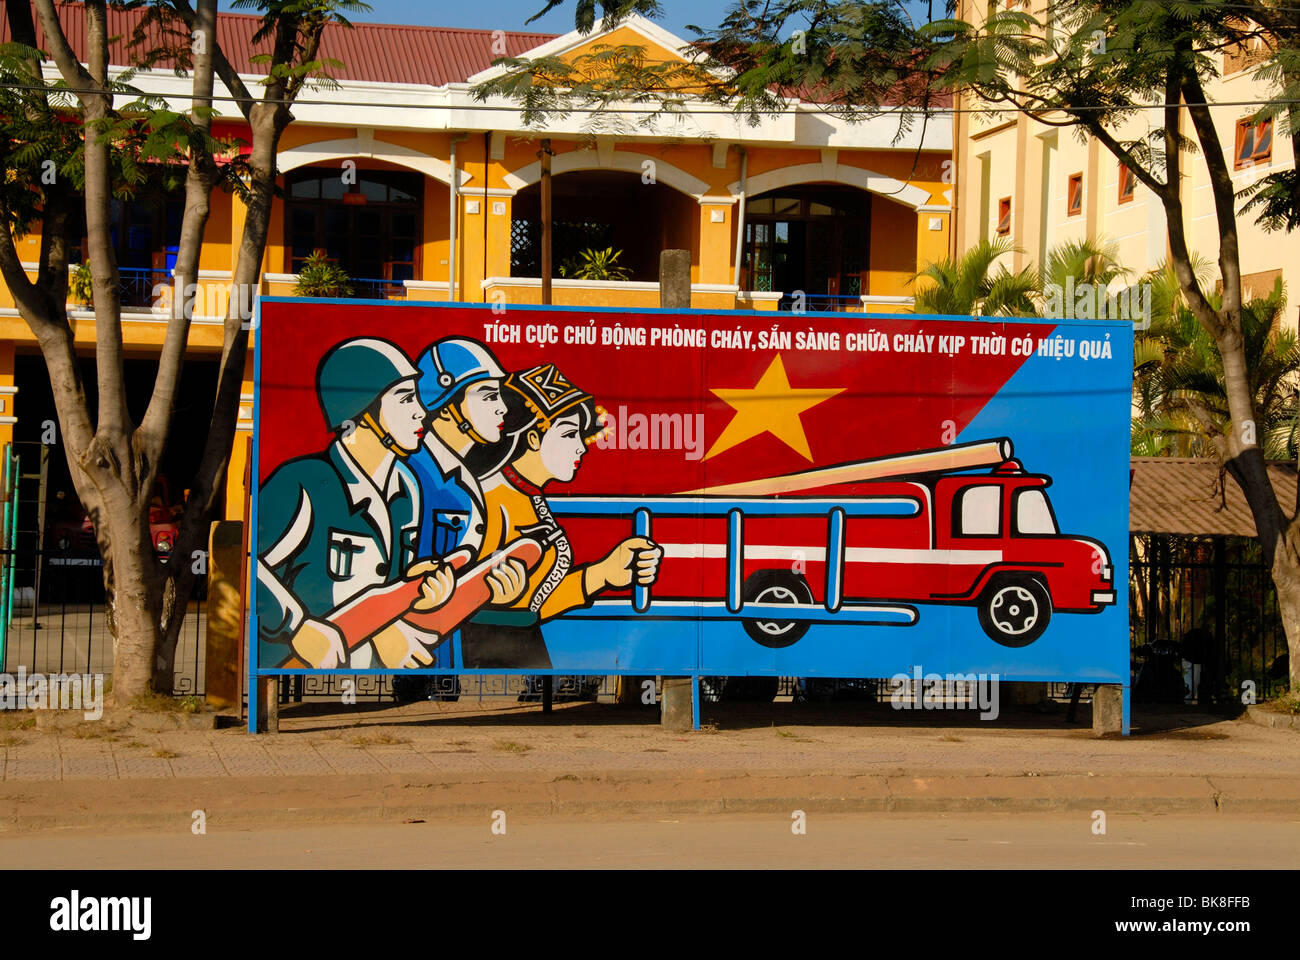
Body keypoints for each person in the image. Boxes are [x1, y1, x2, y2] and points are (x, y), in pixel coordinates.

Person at [256, 338, 454, 670]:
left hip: (367, 658)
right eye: (405, 398)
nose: (422, 410)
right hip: (291, 662)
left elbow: (390, 580)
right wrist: (297, 625)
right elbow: (253, 566)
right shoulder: (304, 481)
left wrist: (418, 583)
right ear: (361, 409)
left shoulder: (408, 487)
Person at [462, 363, 663, 668]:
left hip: (521, 644)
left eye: (582, 436)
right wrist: (491, 598)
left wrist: (603, 573)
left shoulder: (528, 496)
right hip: (494, 649)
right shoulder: (492, 502)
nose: (582, 447)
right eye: (570, 434)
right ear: (531, 438)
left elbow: (534, 603)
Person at [390, 338, 529, 700]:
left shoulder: (457, 471)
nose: (501, 408)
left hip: (441, 656)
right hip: (414, 656)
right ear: (448, 406)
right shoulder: (414, 473)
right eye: (487, 395)